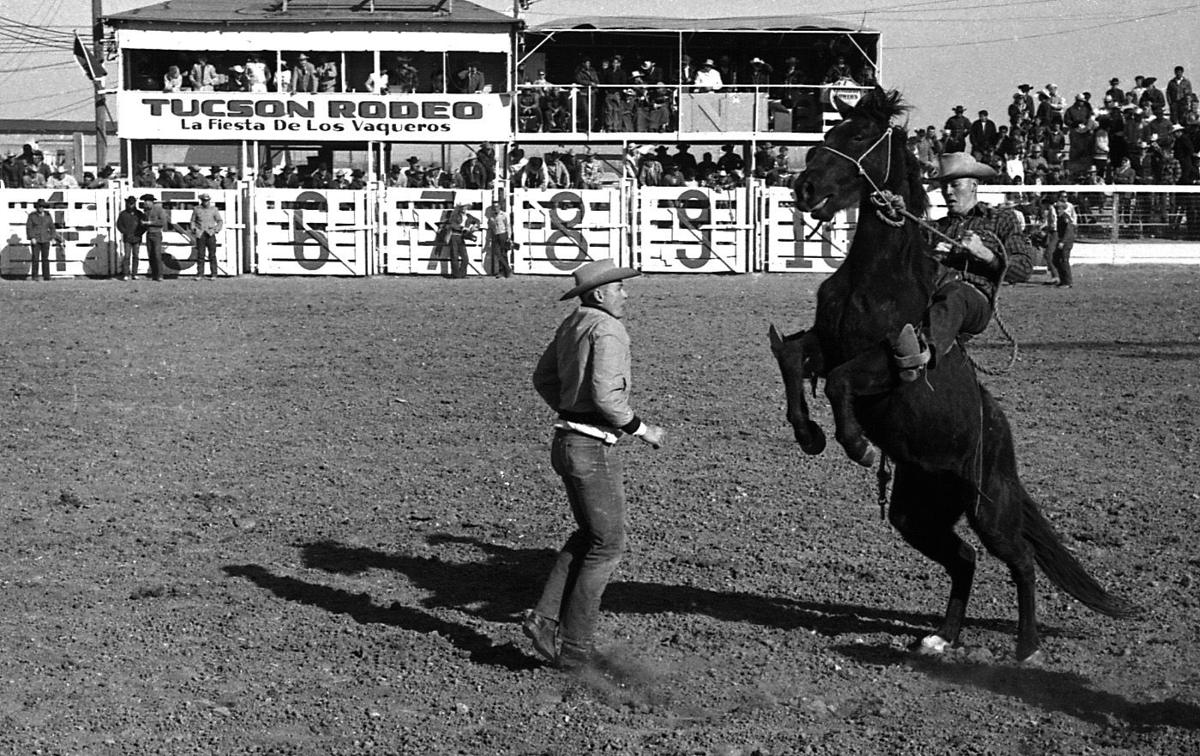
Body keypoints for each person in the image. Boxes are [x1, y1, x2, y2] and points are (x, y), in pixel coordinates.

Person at [526, 258, 666, 670]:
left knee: (590, 535)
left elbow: (543, 378)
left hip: (566, 441)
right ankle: (575, 648)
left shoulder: (573, 322)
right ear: (600, 294)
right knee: (608, 545)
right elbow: (607, 396)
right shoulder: (608, 328)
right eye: (620, 287)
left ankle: (545, 618)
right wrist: (643, 430)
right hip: (590, 447)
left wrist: (570, 409)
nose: (626, 294)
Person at [891, 153, 1035, 380]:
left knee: (956, 293)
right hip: (933, 297)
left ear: (973, 186)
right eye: (944, 186)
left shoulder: (1001, 219)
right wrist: (897, 216)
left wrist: (985, 254)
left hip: (974, 302)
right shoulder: (933, 229)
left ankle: (921, 357)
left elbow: (1023, 269)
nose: (948, 192)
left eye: (955, 185)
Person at [1043, 191, 1077, 288]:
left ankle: (1068, 282)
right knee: (1056, 259)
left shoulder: (1065, 218)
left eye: (1059, 209)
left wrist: (1062, 242)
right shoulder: (1060, 217)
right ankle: (1062, 280)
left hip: (1066, 241)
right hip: (1062, 239)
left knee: (1063, 260)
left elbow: (1068, 231)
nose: (1057, 211)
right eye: (1056, 209)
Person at [25, 198, 61, 281]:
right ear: (37, 207)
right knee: (35, 258)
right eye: (39, 206)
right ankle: (35, 276)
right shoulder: (32, 216)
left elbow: (52, 227)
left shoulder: (48, 216)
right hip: (36, 240)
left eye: (42, 206)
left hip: (45, 239)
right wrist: (32, 237)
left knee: (45, 258)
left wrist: (52, 237)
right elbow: (29, 228)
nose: (41, 208)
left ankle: (46, 276)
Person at [189, 192, 223, 279]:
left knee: (212, 255)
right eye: (204, 200)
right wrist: (194, 229)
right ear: (201, 200)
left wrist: (216, 229)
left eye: (207, 200)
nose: (206, 202)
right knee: (200, 255)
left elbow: (219, 221)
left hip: (210, 233)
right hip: (200, 234)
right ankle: (200, 274)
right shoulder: (197, 209)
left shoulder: (214, 209)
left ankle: (214, 274)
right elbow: (192, 221)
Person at [116, 195, 145, 280]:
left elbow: (143, 226)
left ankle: (134, 273)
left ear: (135, 203)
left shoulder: (139, 214)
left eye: (132, 203)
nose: (131, 205)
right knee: (127, 256)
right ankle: (126, 273)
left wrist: (139, 233)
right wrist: (125, 232)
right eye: (129, 203)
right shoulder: (123, 214)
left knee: (136, 256)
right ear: (127, 203)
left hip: (137, 237)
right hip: (127, 238)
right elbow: (119, 225)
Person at [140, 194, 167, 281]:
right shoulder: (146, 211)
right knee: (151, 254)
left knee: (157, 254)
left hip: (156, 233)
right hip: (149, 233)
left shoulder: (159, 210)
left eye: (147, 201)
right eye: (145, 201)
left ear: (152, 202)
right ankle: (154, 274)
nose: (146, 203)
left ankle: (160, 275)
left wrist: (150, 223)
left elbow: (162, 222)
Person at [484, 201, 512, 278]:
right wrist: (488, 239)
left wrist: (509, 236)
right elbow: (490, 228)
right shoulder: (491, 217)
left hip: (503, 234)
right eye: (494, 207)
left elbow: (508, 225)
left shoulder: (504, 215)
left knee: (503, 253)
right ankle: (507, 269)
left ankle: (505, 272)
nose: (495, 208)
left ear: (499, 207)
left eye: (497, 207)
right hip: (495, 235)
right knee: (498, 253)